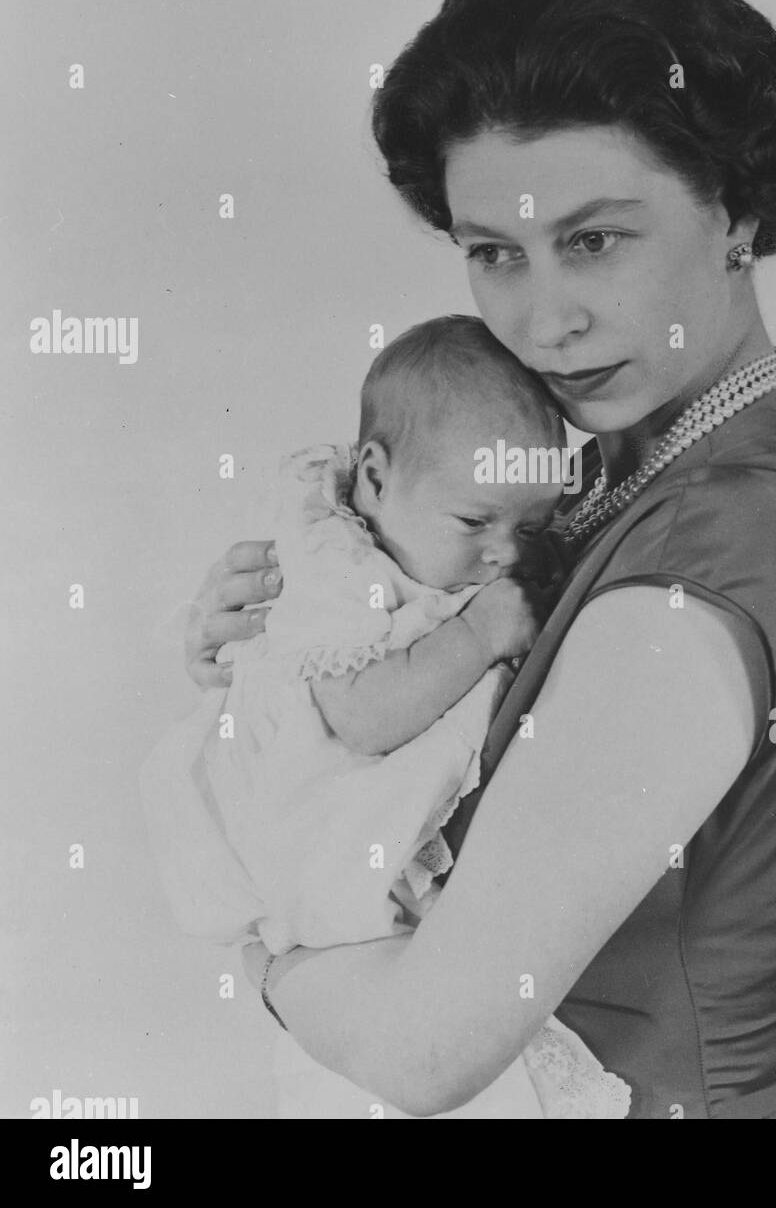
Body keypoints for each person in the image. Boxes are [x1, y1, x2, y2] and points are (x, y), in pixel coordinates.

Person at [184, 0, 776, 1119]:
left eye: (594, 240)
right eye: (493, 254)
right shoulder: (657, 465)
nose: (545, 319)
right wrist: (279, 653)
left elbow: (425, 1051)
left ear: (736, 211)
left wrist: (263, 947)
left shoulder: (709, 561)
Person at [143, 316, 630, 1117]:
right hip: (325, 886)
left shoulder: (433, 542)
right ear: (372, 477)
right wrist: (479, 634)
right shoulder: (337, 570)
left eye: (531, 528)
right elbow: (365, 718)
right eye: (475, 522)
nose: (505, 554)